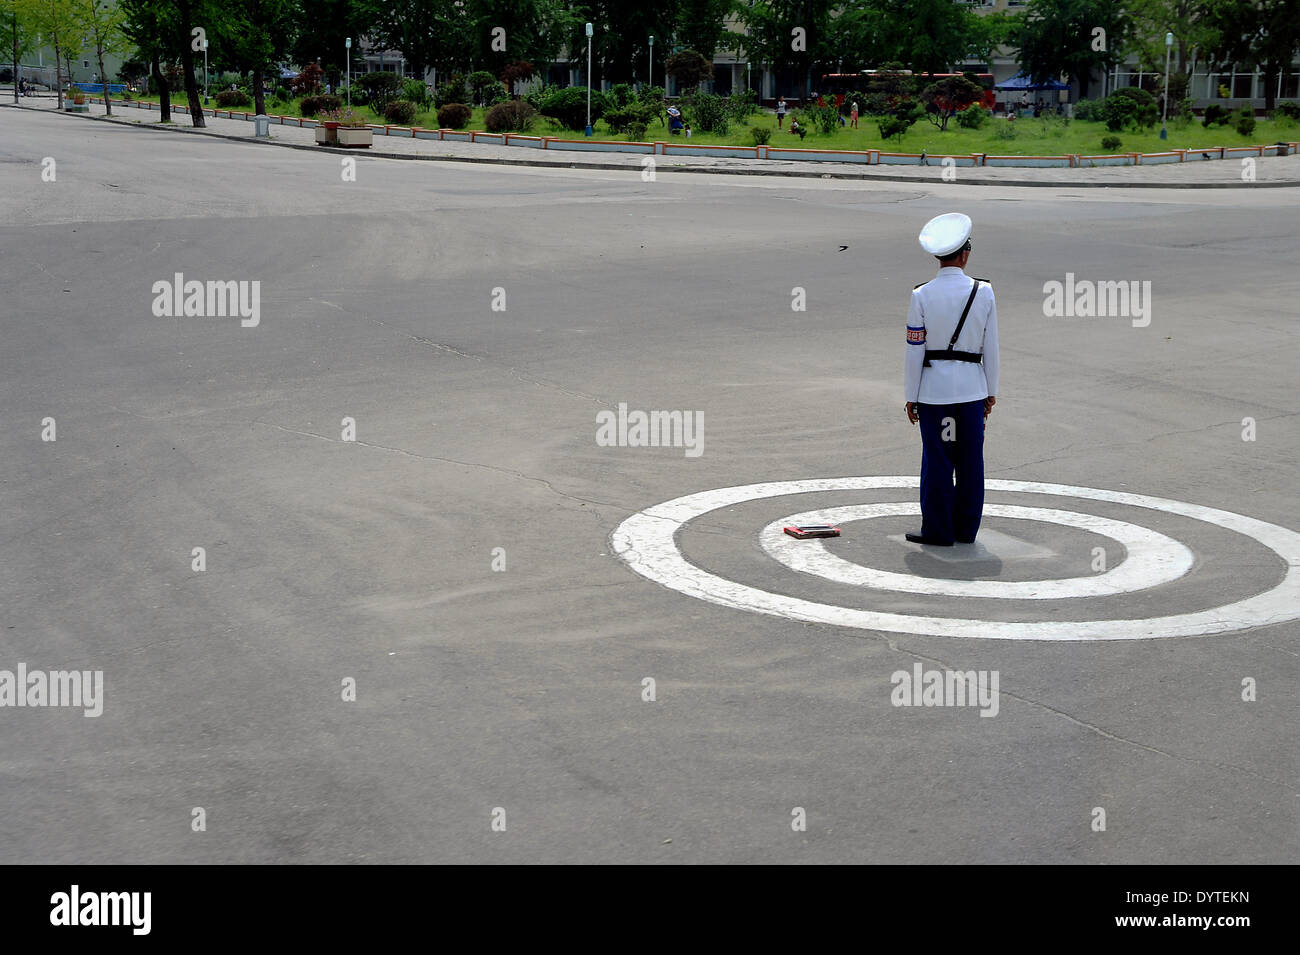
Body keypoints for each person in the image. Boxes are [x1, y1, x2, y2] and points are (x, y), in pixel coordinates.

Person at [903, 212, 999, 547]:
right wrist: (991, 392)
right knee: (971, 461)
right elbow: (992, 347)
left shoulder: (921, 295)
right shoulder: (983, 292)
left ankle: (938, 530)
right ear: (965, 253)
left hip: (934, 394)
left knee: (938, 462)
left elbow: (914, 350)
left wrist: (911, 396)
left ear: (938, 257)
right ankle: (966, 530)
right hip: (972, 390)